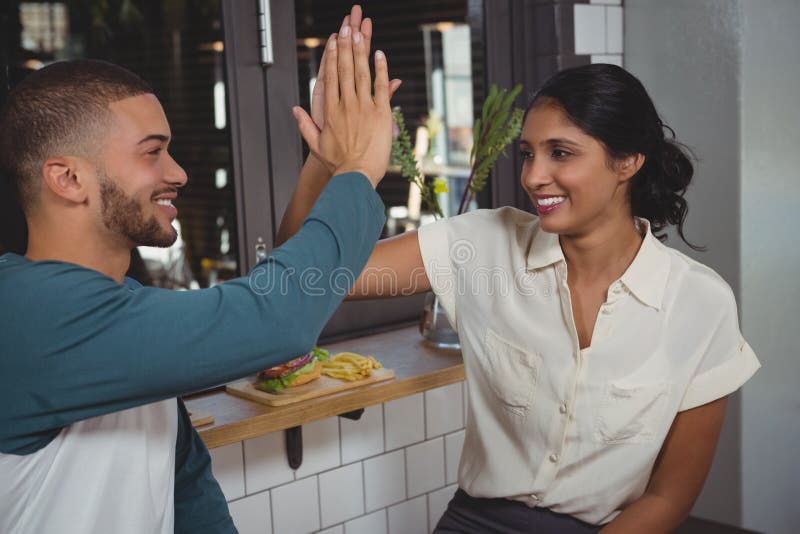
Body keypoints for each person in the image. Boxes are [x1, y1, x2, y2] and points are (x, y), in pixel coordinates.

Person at [277, 63, 761, 533]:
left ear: (628, 161)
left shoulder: (700, 303)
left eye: (561, 153)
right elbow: (305, 276)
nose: (533, 176)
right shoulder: (482, 245)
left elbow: (669, 497)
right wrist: (330, 163)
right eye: (528, 153)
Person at [0, 6, 393, 533]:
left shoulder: (119, 314)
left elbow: (187, 492)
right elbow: (277, 319)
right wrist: (359, 168)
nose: (179, 173)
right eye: (152, 153)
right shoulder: (26, 315)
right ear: (67, 178)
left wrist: (326, 164)